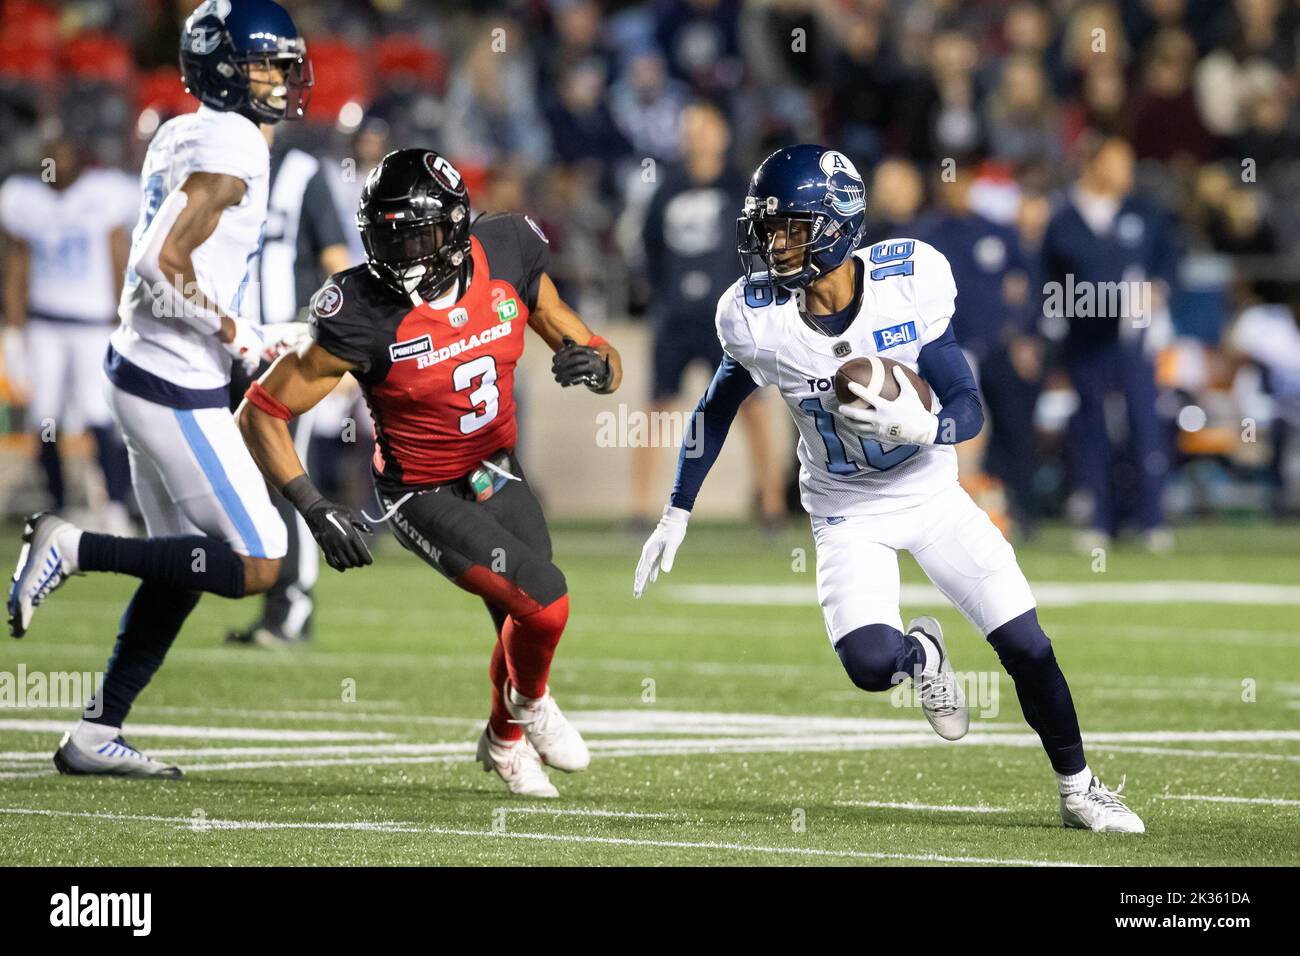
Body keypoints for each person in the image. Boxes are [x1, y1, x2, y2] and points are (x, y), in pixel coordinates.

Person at [633, 144, 1144, 833]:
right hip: (847, 512)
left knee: (1026, 644)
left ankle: (1079, 787)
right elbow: (715, 408)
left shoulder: (911, 279)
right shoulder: (755, 316)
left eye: (791, 227)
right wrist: (678, 508)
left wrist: (927, 425)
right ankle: (922, 654)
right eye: (768, 228)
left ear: (838, 225)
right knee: (872, 664)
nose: (774, 244)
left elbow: (967, 399)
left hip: (932, 496)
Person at [237, 148, 624, 798]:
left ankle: (503, 741)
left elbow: (597, 353)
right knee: (546, 601)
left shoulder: (506, 251)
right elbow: (263, 410)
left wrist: (597, 367)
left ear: (454, 226)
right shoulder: (360, 307)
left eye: (417, 232)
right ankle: (531, 706)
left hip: (496, 468)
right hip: (419, 490)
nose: (403, 248)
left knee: (520, 613)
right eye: (388, 233)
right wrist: (310, 503)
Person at [6, 0, 314, 778]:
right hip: (172, 380)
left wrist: (247, 325)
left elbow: (187, 267)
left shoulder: (185, 129)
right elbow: (157, 262)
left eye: (283, 63)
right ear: (222, 66)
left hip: (144, 364)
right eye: (262, 63)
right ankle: (71, 543)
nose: (279, 78)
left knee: (185, 565)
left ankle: (94, 731)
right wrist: (238, 336)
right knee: (258, 562)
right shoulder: (234, 139)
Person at [225, 139, 352, 647]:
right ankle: (274, 602)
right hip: (230, 341)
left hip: (286, 344)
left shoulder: (302, 171)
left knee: (285, 473)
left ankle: (292, 605)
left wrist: (343, 344)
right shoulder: (220, 161)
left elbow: (337, 262)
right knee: (249, 481)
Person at [633, 100, 782, 525]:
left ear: (723, 134)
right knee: (657, 407)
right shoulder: (665, 190)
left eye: (704, 126)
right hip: (676, 316)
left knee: (752, 407)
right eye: (689, 127)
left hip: (732, 316)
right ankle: (640, 506)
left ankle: (770, 503)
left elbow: (763, 247)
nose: (696, 135)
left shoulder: (743, 188)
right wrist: (664, 297)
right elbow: (649, 250)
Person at [1039, 135, 1178, 552]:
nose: (1126, 173)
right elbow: (1048, 282)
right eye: (1117, 162)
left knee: (1145, 425)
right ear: (1093, 164)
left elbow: (1169, 264)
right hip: (1086, 339)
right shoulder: (1064, 218)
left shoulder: (1144, 213)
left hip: (1134, 340)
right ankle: (1099, 518)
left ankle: (1150, 518)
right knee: (1092, 428)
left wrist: (1159, 289)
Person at [0, 137, 137, 533]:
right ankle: (56, 503)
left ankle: (113, 503)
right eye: (47, 160)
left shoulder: (102, 195)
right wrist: (14, 327)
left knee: (99, 413)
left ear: (79, 161)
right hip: (45, 322)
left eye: (60, 158)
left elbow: (118, 254)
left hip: (92, 323)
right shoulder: (26, 201)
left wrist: (121, 315)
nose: (53, 166)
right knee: (45, 415)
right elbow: (17, 266)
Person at [911, 154, 1038, 533]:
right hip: (944, 348)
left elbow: (1029, 287)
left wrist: (1024, 334)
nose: (957, 190)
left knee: (1014, 431)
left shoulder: (999, 232)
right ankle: (951, 514)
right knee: (953, 434)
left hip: (998, 346)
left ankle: (1018, 512)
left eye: (963, 181)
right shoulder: (926, 235)